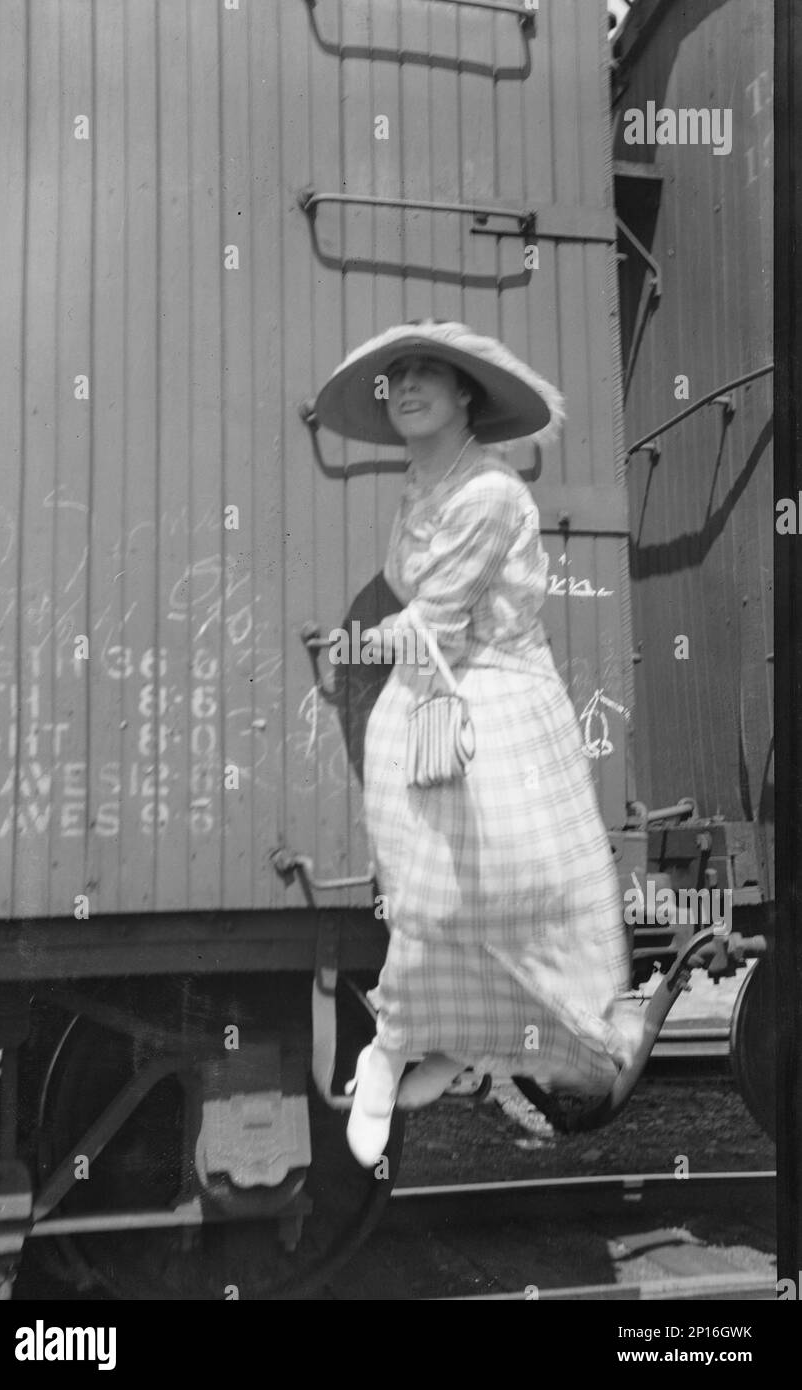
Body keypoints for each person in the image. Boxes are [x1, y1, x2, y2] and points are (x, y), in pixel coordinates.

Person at [314, 320, 636, 1168]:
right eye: (398, 376)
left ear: (466, 397)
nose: (406, 385)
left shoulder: (489, 493)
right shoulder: (421, 483)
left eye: (429, 373)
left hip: (496, 709)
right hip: (427, 711)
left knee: (515, 897)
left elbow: (435, 621)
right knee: (429, 899)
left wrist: (353, 646)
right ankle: (390, 1052)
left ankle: (454, 1050)